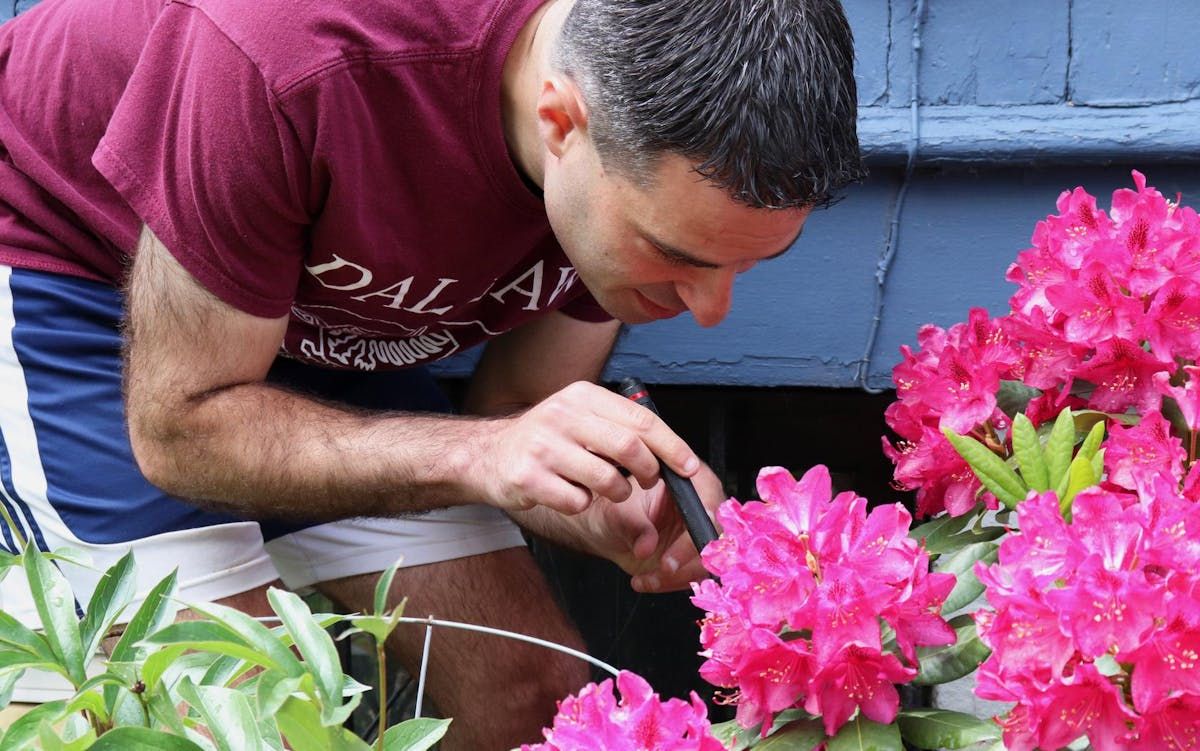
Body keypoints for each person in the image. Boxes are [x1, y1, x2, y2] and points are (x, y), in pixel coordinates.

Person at [0, 0, 864, 746]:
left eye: (743, 265)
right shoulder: (289, 55)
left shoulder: (637, 149)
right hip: (94, 288)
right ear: (560, 122)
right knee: (246, 714)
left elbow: (514, 406)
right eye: (675, 256)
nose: (708, 306)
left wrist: (602, 502)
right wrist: (481, 456)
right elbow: (181, 432)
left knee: (540, 705)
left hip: (331, 318)